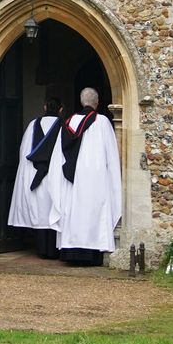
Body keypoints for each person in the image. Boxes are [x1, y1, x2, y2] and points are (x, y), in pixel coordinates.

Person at [46, 87, 122, 266]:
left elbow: (58, 155)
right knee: (94, 213)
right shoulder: (102, 122)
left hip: (71, 179)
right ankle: (92, 254)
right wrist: (113, 179)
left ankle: (71, 253)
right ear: (97, 103)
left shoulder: (68, 122)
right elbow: (111, 155)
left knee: (73, 213)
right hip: (95, 177)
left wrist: (61, 176)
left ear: (81, 102)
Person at [7, 97, 63, 259]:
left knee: (39, 212)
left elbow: (24, 151)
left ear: (45, 107)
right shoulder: (62, 126)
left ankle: (41, 249)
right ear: (60, 110)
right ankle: (54, 249)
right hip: (53, 174)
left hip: (34, 175)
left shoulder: (33, 125)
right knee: (52, 210)